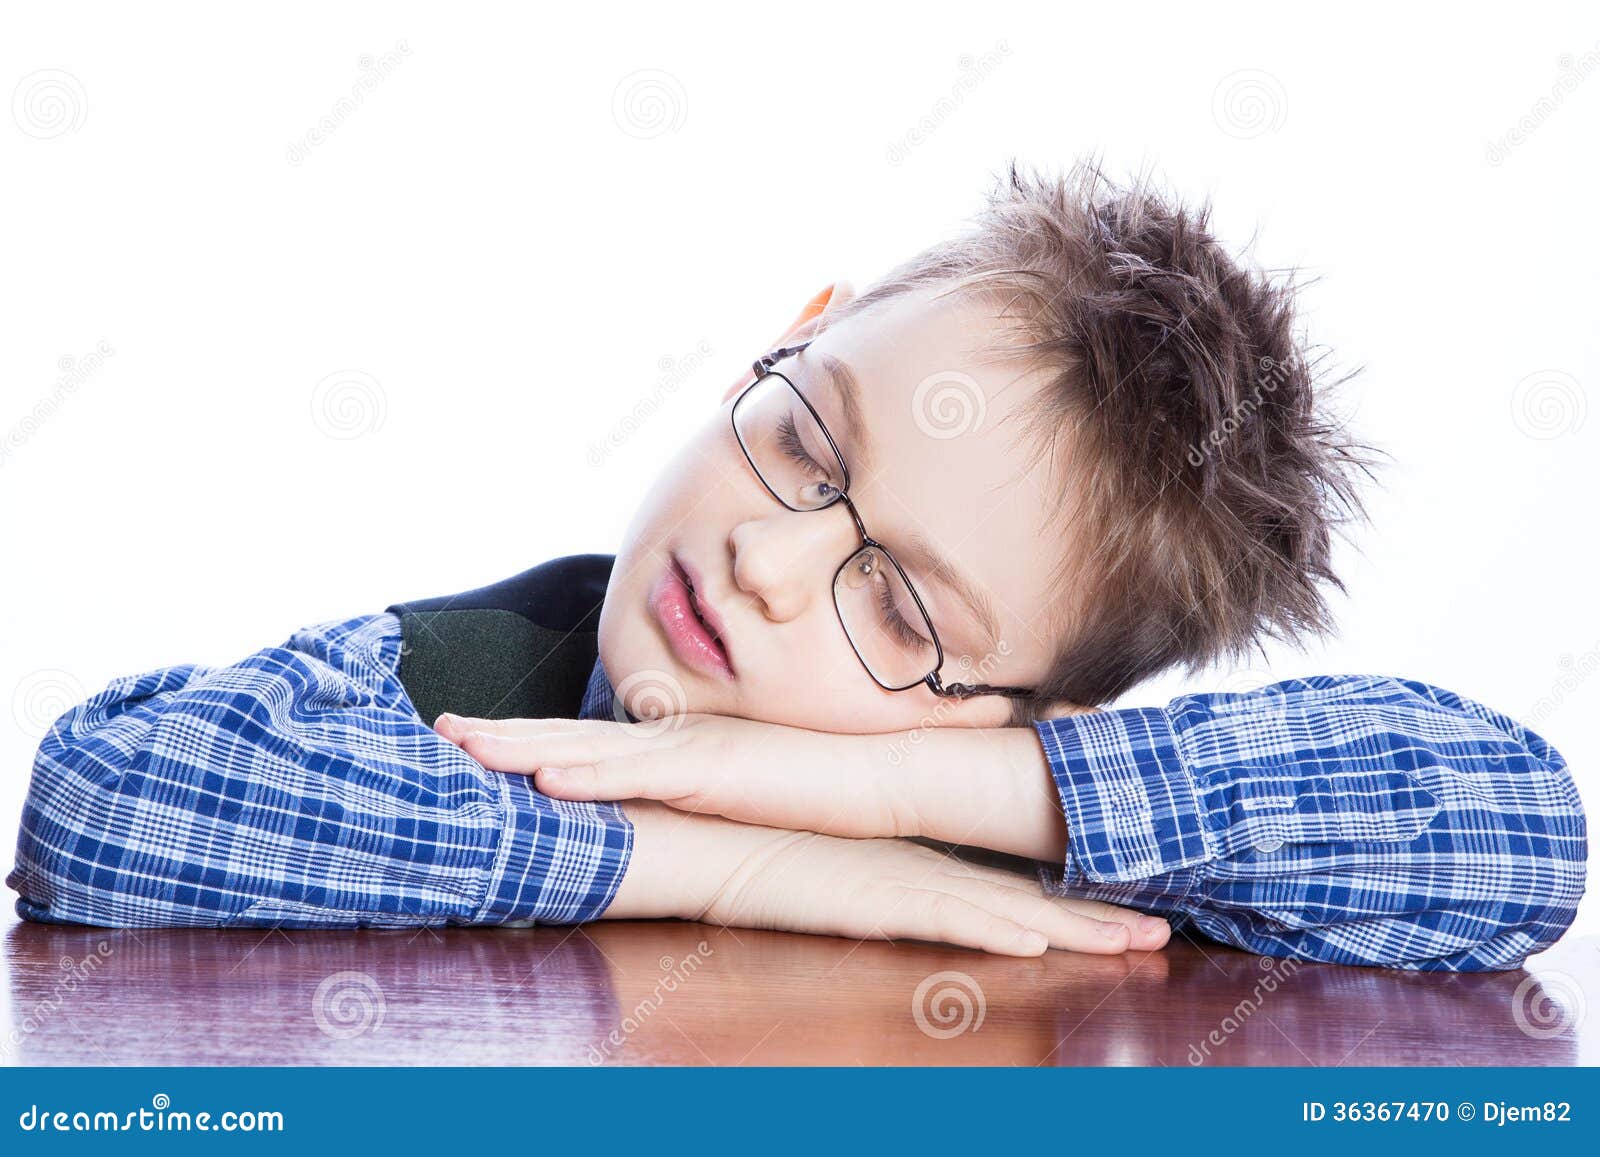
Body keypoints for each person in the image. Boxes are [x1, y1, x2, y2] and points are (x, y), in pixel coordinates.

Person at [8, 162, 1585, 968]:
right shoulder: (471, 678)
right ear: (790, 336)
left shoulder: (1040, 838)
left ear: (1019, 718)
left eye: (896, 603)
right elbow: (100, 808)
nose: (765, 556)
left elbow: (1515, 830)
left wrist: (900, 798)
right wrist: (724, 858)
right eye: (806, 440)